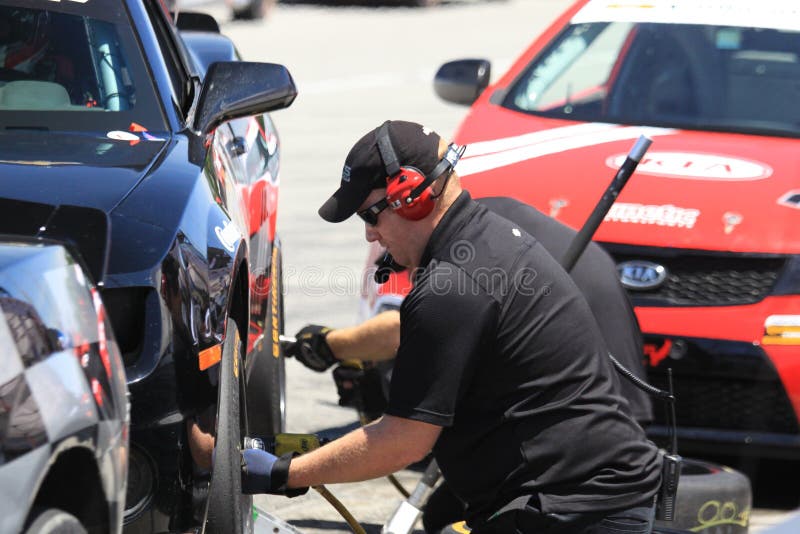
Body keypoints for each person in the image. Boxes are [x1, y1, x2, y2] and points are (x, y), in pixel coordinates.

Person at [240, 120, 662, 533]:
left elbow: (403, 440)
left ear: (411, 196)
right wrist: (339, 345)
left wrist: (284, 473)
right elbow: (419, 334)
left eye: (371, 215)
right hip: (585, 497)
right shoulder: (484, 235)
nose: (370, 235)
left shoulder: (451, 285)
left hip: (570, 511)